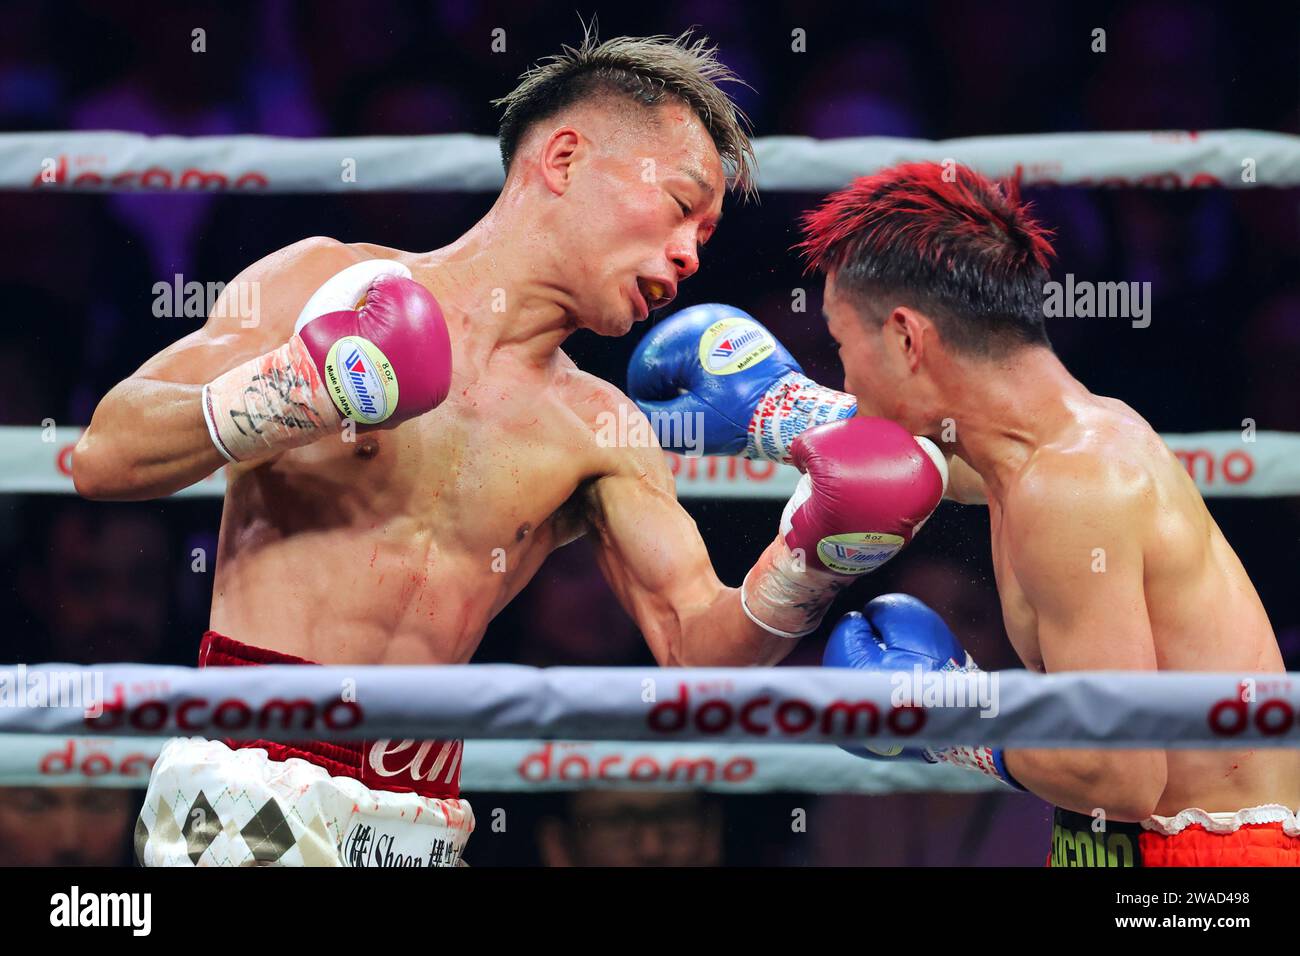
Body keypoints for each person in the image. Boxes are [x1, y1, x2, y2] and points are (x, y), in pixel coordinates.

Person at [72, 33, 945, 867]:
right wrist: (301, 391)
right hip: (246, 779)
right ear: (563, 160)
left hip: (420, 816)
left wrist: (809, 561)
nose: (686, 255)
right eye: (680, 208)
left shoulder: (599, 429)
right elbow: (109, 452)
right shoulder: (326, 282)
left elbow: (697, 649)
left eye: (705, 240)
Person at [628, 161, 1300, 867]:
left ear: (907, 340)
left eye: (841, 344)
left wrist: (941, 712)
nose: (843, 374)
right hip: (1126, 851)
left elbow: (1120, 775)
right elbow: (936, 459)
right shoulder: (1044, 450)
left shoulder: (1072, 488)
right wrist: (781, 412)